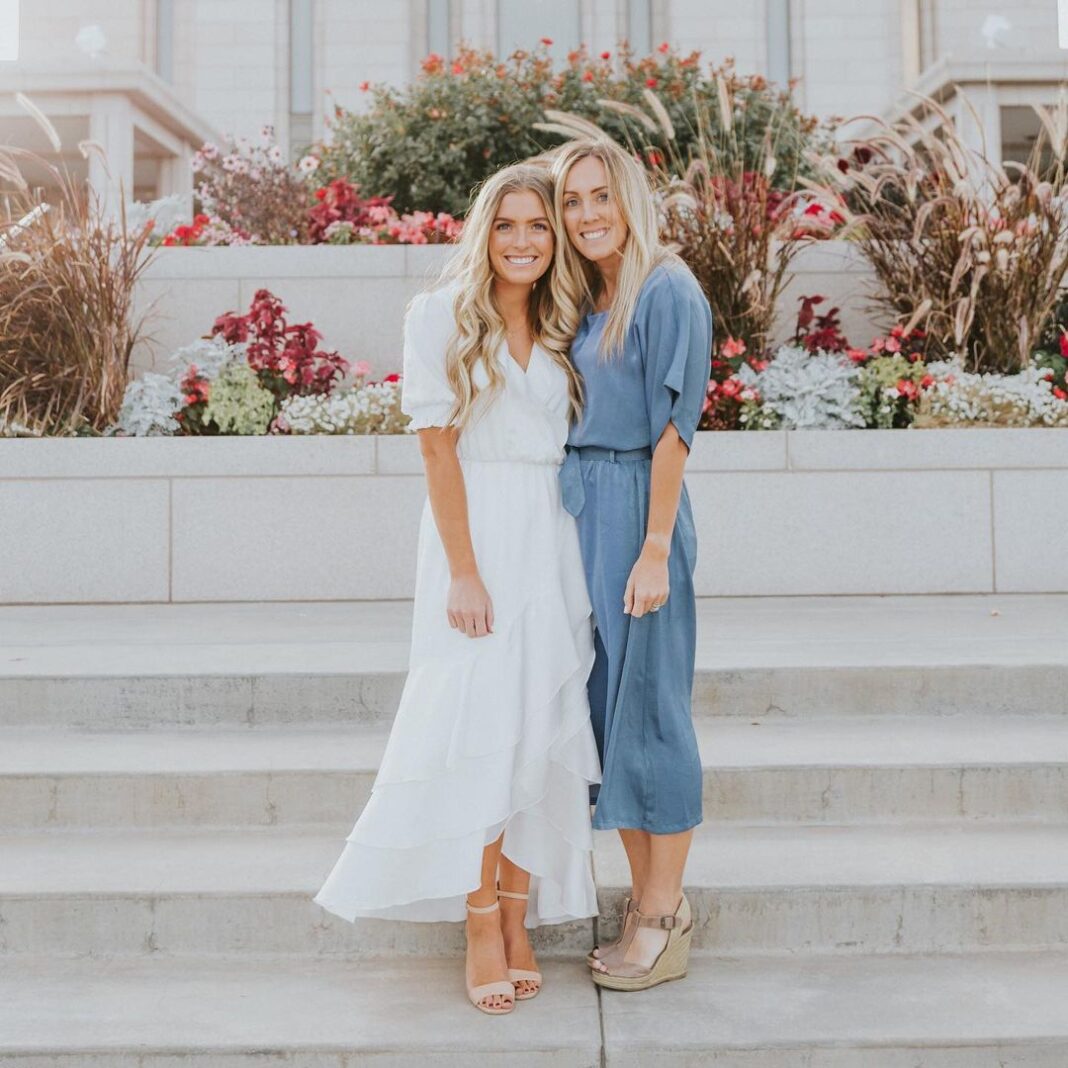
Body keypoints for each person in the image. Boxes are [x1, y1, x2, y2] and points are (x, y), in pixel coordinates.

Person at [314, 163, 601, 1015]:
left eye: (539, 226)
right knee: (477, 726)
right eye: (507, 224)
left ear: (556, 239)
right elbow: (437, 449)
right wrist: (465, 571)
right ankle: (480, 920)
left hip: (554, 538)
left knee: (540, 725)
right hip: (474, 539)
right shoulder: (438, 315)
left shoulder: (566, 321)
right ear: (485, 232)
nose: (523, 241)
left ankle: (520, 914)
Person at [551, 138, 713, 992]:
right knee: (610, 714)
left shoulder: (665, 287)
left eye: (599, 196)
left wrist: (653, 548)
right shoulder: (587, 292)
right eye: (571, 201)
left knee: (652, 711)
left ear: (631, 197)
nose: (586, 216)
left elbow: (674, 428)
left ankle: (662, 913)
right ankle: (647, 897)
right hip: (584, 511)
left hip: (639, 512)